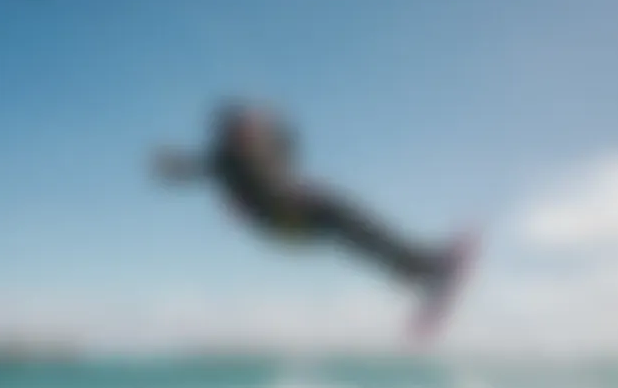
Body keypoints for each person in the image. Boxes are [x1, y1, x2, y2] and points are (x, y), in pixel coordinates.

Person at [151, 101, 476, 338]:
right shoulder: (225, 159)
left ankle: (417, 271)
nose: (247, 135)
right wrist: (169, 166)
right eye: (240, 131)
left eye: (249, 129)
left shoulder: (265, 145)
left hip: (293, 216)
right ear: (228, 135)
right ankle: (424, 268)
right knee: (342, 217)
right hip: (281, 223)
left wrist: (272, 128)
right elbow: (192, 169)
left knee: (350, 224)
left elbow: (291, 146)